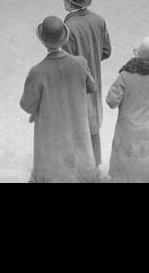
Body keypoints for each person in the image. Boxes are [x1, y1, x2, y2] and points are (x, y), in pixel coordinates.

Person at [20, 16, 98, 183]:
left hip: (51, 138)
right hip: (77, 131)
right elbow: (92, 87)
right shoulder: (80, 63)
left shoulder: (37, 71)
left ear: (43, 41)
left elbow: (27, 105)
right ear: (64, 37)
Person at [58, 0, 111, 169]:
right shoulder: (99, 20)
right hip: (95, 84)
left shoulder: (67, 29)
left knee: (76, 130)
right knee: (93, 127)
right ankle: (95, 167)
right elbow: (106, 51)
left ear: (69, 2)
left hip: (76, 89)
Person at [105, 36, 149, 183]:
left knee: (125, 173)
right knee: (145, 171)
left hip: (128, 128)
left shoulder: (125, 75)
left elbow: (111, 101)